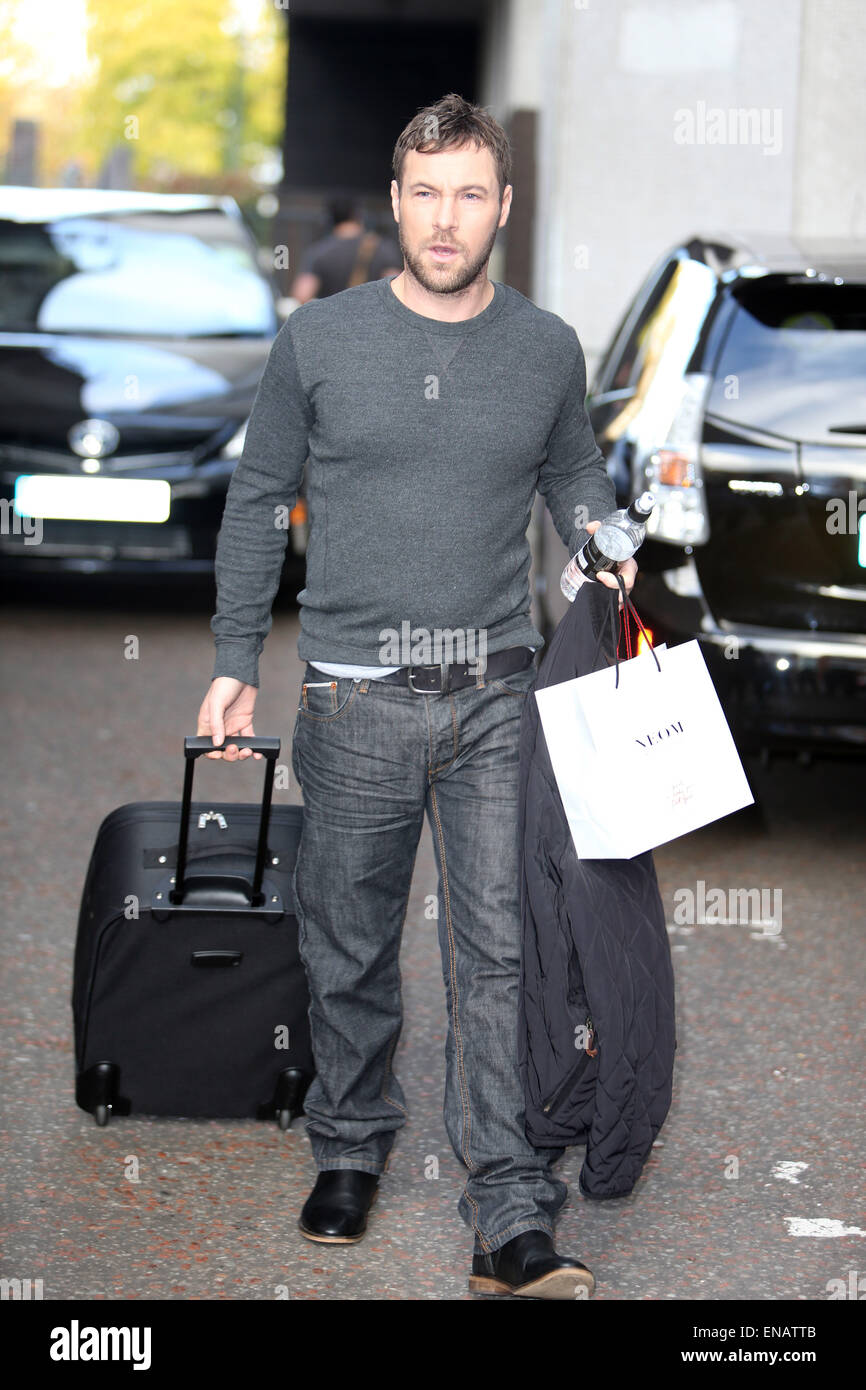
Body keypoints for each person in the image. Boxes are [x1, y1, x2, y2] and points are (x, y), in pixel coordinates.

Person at [197, 91, 636, 1300]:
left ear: (504, 205)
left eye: (471, 194)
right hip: (352, 700)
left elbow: (575, 473)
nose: (446, 220)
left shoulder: (544, 349)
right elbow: (255, 498)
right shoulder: (320, 342)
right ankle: (347, 1141)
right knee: (346, 944)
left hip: (497, 696)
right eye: (426, 193)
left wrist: (604, 533)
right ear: (395, 203)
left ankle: (507, 1210)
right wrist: (236, 660)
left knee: (498, 959)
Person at [289, 198, 401, 303]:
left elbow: (302, 295)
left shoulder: (319, 252)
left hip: (333, 319)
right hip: (375, 320)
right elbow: (394, 291)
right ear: (358, 216)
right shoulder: (383, 248)